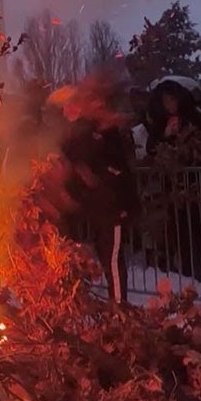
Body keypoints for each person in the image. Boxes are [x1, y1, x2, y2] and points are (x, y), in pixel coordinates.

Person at [50, 81, 142, 304]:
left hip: (113, 203)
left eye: (73, 105)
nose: (69, 110)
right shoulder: (80, 132)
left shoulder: (107, 131)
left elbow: (115, 168)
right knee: (99, 252)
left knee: (111, 256)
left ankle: (119, 306)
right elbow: (72, 159)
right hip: (95, 205)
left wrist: (95, 177)